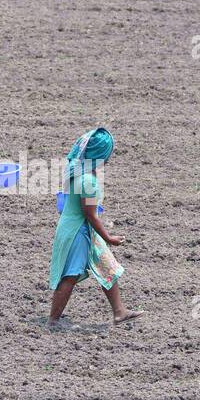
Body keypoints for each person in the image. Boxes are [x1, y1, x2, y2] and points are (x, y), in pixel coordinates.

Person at [47, 127, 144, 326]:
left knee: (108, 267)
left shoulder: (78, 171)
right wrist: (109, 238)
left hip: (79, 229)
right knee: (71, 275)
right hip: (78, 232)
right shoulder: (88, 181)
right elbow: (90, 215)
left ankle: (119, 312)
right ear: (100, 155)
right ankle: (53, 320)